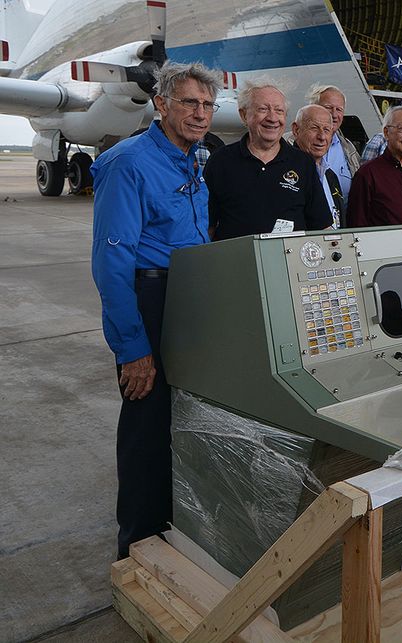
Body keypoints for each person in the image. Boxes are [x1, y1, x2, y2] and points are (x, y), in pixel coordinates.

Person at [90, 61, 222, 559]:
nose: (201, 113)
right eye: (190, 102)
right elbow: (111, 265)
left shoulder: (193, 159)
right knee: (146, 429)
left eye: (207, 105)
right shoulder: (128, 163)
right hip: (150, 300)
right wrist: (133, 349)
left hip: (187, 298)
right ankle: (138, 549)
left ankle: (174, 530)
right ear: (161, 104)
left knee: (182, 423)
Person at [205, 81, 332, 239]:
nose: (272, 118)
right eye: (263, 109)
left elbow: (322, 227)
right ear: (244, 115)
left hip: (288, 255)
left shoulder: (303, 163)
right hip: (236, 255)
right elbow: (207, 226)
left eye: (279, 110)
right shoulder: (220, 161)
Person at [291, 104, 344, 228]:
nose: (322, 137)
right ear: (296, 130)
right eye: (314, 128)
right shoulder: (286, 172)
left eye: (327, 130)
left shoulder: (331, 176)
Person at [307, 84, 361, 197]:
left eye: (339, 109)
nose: (334, 114)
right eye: (328, 108)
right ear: (313, 108)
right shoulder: (290, 143)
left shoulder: (349, 149)